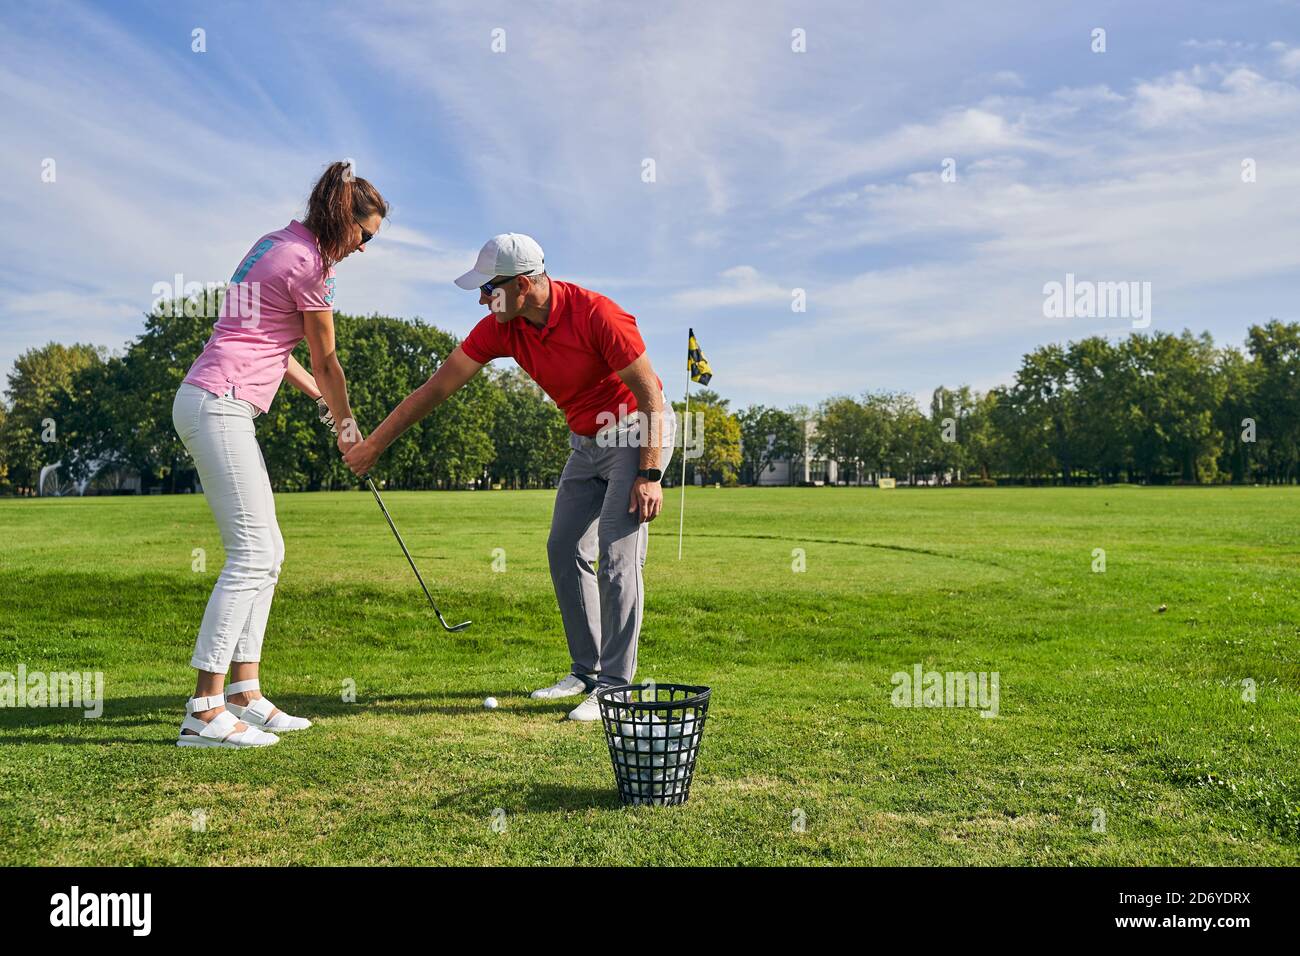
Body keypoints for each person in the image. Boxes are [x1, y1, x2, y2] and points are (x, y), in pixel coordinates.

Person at [343, 233, 674, 720]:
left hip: (633, 433)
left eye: (488, 289)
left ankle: (616, 688)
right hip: (584, 442)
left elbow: (650, 396)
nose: (481, 299)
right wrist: (374, 444)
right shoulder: (503, 327)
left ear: (522, 285)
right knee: (563, 548)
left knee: (616, 555)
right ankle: (585, 671)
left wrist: (648, 473)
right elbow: (436, 389)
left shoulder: (597, 314)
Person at [172, 161, 387, 747]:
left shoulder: (276, 244)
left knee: (269, 551)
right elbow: (327, 358)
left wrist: (319, 396)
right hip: (220, 401)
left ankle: (245, 694)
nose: (365, 249)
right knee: (251, 553)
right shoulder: (311, 264)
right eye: (365, 236)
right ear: (345, 222)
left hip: (211, 396)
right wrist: (348, 428)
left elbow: (268, 342)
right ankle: (204, 709)